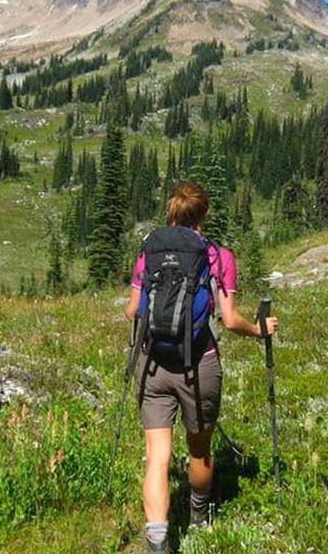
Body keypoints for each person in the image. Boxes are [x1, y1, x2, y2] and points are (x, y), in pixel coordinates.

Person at [124, 180, 279, 553]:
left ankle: (158, 539)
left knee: (157, 457)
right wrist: (260, 330)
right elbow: (228, 319)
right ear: (204, 214)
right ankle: (199, 517)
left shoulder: (149, 252)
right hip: (199, 368)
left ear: (171, 212)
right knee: (199, 451)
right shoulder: (217, 256)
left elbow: (132, 311)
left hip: (153, 365)